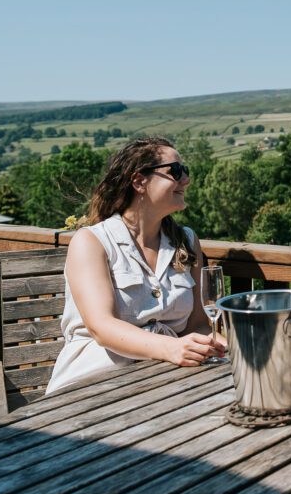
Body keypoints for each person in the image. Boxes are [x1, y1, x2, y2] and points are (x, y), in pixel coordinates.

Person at [46, 137, 224, 394]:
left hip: (162, 382)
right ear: (139, 181)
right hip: (91, 385)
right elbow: (101, 327)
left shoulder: (186, 241)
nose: (185, 179)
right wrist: (172, 348)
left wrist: (220, 346)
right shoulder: (92, 242)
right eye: (175, 171)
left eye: (185, 171)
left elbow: (198, 323)